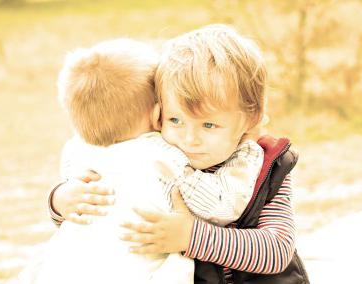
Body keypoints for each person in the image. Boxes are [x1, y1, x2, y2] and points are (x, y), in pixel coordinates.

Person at [46, 25, 309, 283]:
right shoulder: (158, 152)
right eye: (175, 120)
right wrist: (62, 201)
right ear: (158, 113)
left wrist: (190, 236)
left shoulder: (265, 168)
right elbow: (110, 221)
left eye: (209, 125)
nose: (189, 138)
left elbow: (277, 251)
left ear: (249, 120)